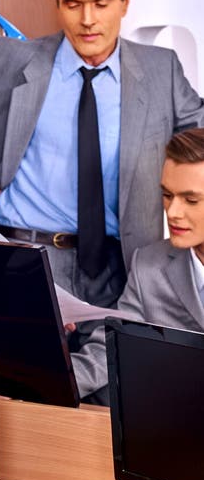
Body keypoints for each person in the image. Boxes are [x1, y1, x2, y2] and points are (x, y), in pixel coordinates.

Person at [0, 0, 204, 308]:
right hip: (25, 256)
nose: (87, 19)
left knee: (116, 348)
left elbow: (199, 142)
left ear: (125, 0)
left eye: (101, 3)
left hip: (123, 266)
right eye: (73, 4)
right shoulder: (7, 60)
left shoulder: (161, 69)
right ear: (58, 4)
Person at [73, 128, 204, 400]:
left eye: (191, 200)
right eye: (167, 195)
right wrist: (41, 384)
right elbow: (109, 348)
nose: (173, 212)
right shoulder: (148, 264)